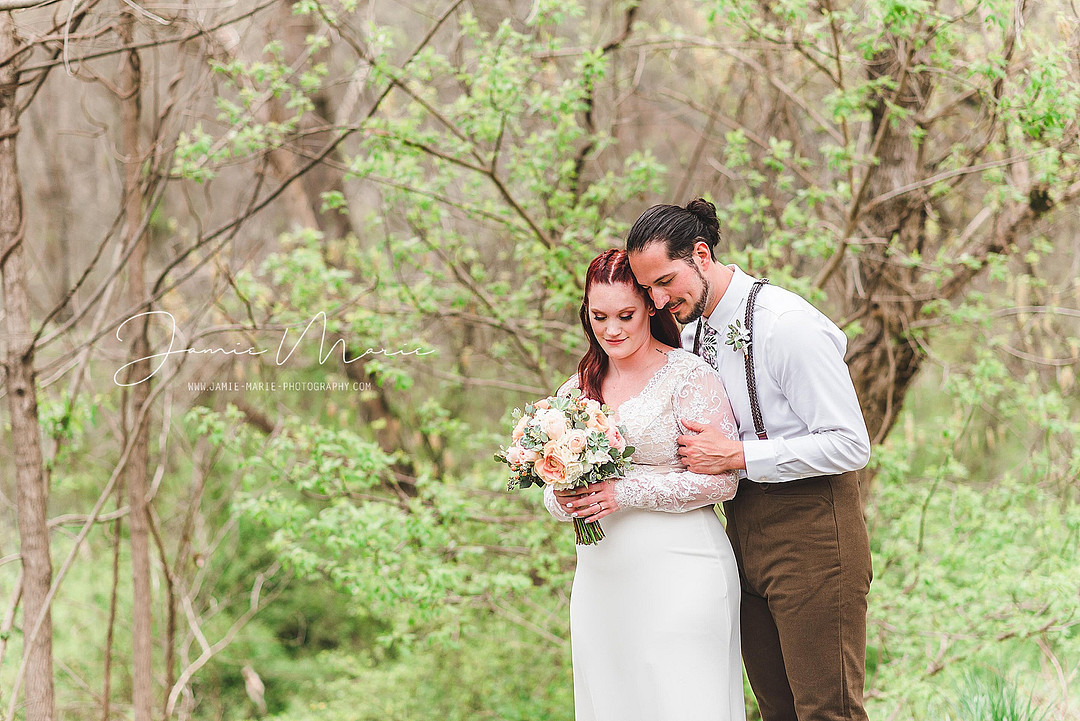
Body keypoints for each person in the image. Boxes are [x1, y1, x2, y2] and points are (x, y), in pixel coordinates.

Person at [624, 198, 874, 721]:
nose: (659, 299)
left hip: (813, 525)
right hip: (737, 529)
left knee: (828, 711)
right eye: (648, 289)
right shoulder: (688, 328)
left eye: (666, 280)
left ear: (700, 253)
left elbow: (851, 443)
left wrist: (738, 454)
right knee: (776, 710)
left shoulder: (787, 324)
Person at [542, 248, 746, 721]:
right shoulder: (577, 390)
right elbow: (551, 492)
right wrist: (563, 495)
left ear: (651, 309)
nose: (612, 329)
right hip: (602, 578)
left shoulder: (689, 376)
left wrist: (623, 491)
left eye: (625, 315)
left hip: (682, 572)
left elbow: (723, 483)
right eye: (599, 316)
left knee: (683, 701)